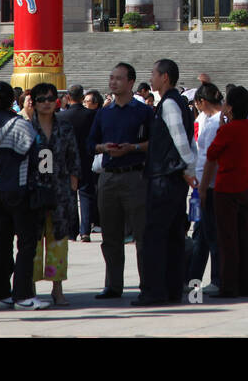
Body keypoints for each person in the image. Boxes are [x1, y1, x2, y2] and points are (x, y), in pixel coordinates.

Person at [89, 63, 152, 300]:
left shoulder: (143, 112)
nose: (113, 82)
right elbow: (89, 143)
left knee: (142, 235)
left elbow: (155, 142)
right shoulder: (104, 112)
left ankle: (147, 284)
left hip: (135, 175)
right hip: (108, 177)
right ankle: (113, 285)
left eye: (118, 78)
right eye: (111, 77)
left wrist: (133, 147)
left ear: (130, 82)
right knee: (111, 236)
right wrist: (103, 148)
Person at [137, 59, 197, 307]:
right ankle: (172, 288)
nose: (150, 78)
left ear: (164, 78)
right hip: (173, 177)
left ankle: (154, 291)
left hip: (165, 176)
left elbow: (181, 139)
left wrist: (189, 168)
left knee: (155, 235)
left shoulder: (170, 103)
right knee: (173, 235)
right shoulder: (178, 102)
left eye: (153, 74)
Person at [0, 81, 45, 309]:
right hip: (20, 189)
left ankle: (0, 292)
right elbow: (35, 156)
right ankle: (23, 295)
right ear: (13, 100)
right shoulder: (21, 125)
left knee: (1, 243)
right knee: (27, 244)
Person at [204, 85, 248, 298]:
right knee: (243, 237)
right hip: (246, 187)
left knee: (227, 239)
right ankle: (246, 284)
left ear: (229, 107)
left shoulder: (226, 130)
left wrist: (204, 188)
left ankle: (229, 285)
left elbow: (211, 156)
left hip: (225, 189)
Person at [30, 82, 79, 307]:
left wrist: (72, 188)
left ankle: (57, 289)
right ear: (34, 102)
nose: (47, 103)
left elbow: (73, 159)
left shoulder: (65, 128)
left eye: (51, 98)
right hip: (34, 191)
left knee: (58, 240)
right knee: (32, 240)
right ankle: (28, 288)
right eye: (42, 99)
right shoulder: (27, 128)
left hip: (60, 192)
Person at [188, 82, 224, 293]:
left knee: (211, 235)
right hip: (207, 183)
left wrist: (201, 188)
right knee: (202, 234)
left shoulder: (212, 125)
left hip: (207, 185)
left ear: (202, 102)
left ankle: (217, 279)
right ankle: (192, 279)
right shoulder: (214, 120)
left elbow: (209, 159)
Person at [60, 87, 100, 243]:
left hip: (67, 161)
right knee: (86, 195)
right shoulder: (91, 115)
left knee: (70, 196)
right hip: (86, 158)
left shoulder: (61, 116)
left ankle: (72, 231)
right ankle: (85, 232)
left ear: (68, 97)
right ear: (82, 97)